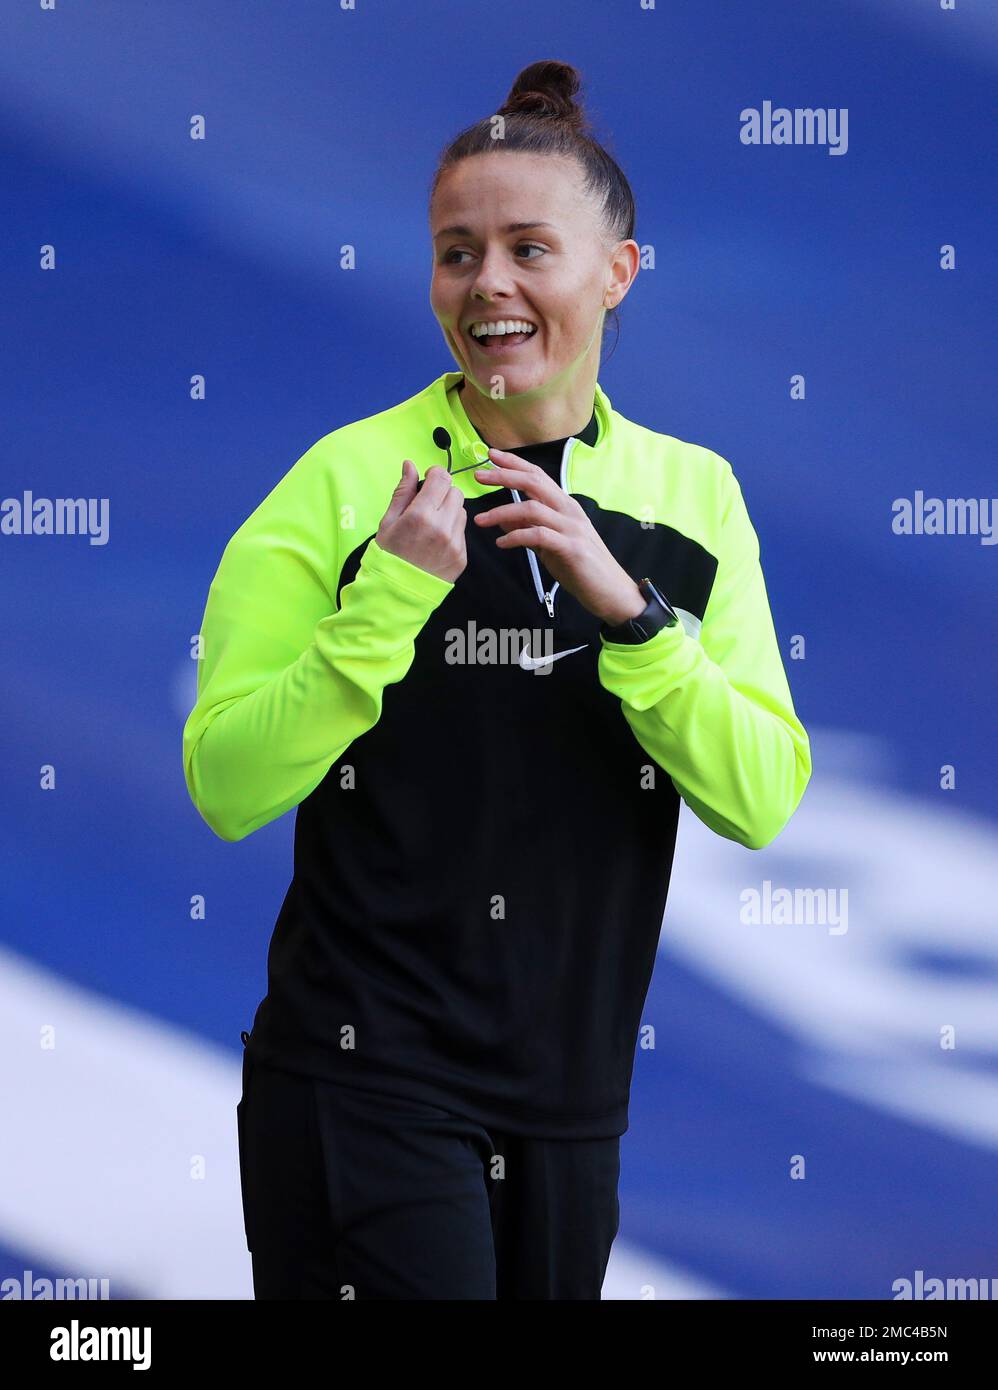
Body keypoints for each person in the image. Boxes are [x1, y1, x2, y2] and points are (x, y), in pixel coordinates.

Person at [182, 58, 811, 1300]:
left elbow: (761, 796)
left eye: (530, 248)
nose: (489, 286)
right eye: (456, 253)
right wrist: (390, 601)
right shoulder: (344, 482)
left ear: (615, 270)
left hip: (572, 1103)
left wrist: (631, 618)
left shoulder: (692, 500)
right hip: (361, 1077)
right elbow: (226, 779)